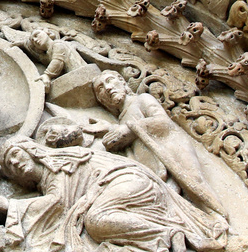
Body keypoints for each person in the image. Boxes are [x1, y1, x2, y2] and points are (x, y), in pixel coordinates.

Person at [0, 137, 227, 252]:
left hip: (127, 181)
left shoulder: (58, 163)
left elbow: (58, 202)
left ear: (31, 150)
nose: (15, 163)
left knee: (96, 220)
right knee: (97, 221)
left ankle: (170, 233)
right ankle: (169, 234)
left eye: (16, 155)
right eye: (9, 166)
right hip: (122, 187)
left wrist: (9, 205)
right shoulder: (46, 180)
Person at [92, 70, 225, 217]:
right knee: (167, 196)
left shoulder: (142, 99)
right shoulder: (122, 121)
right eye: (100, 88)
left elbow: (163, 121)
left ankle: (218, 216)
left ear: (122, 81)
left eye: (110, 80)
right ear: (102, 100)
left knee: (193, 180)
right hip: (157, 166)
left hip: (171, 145)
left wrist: (129, 130)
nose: (108, 88)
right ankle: (199, 222)